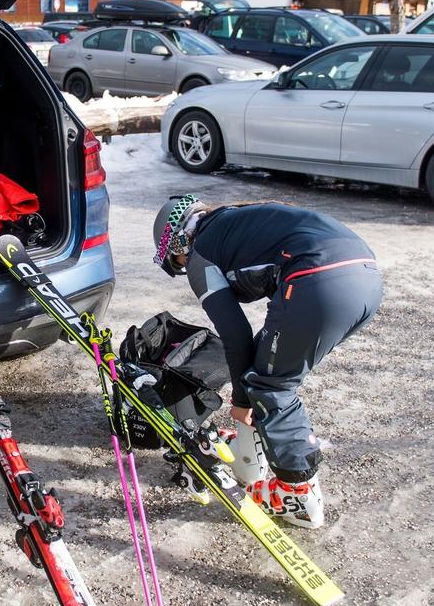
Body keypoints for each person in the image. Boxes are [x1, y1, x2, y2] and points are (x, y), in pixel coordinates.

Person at [151, 195, 381, 529]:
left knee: (270, 384)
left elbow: (235, 334)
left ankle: (298, 494)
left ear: (177, 241)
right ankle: (254, 455)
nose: (184, 266)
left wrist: (241, 401)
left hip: (318, 280)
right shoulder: (239, 218)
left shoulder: (201, 254)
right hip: (366, 278)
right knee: (268, 363)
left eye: (178, 260)